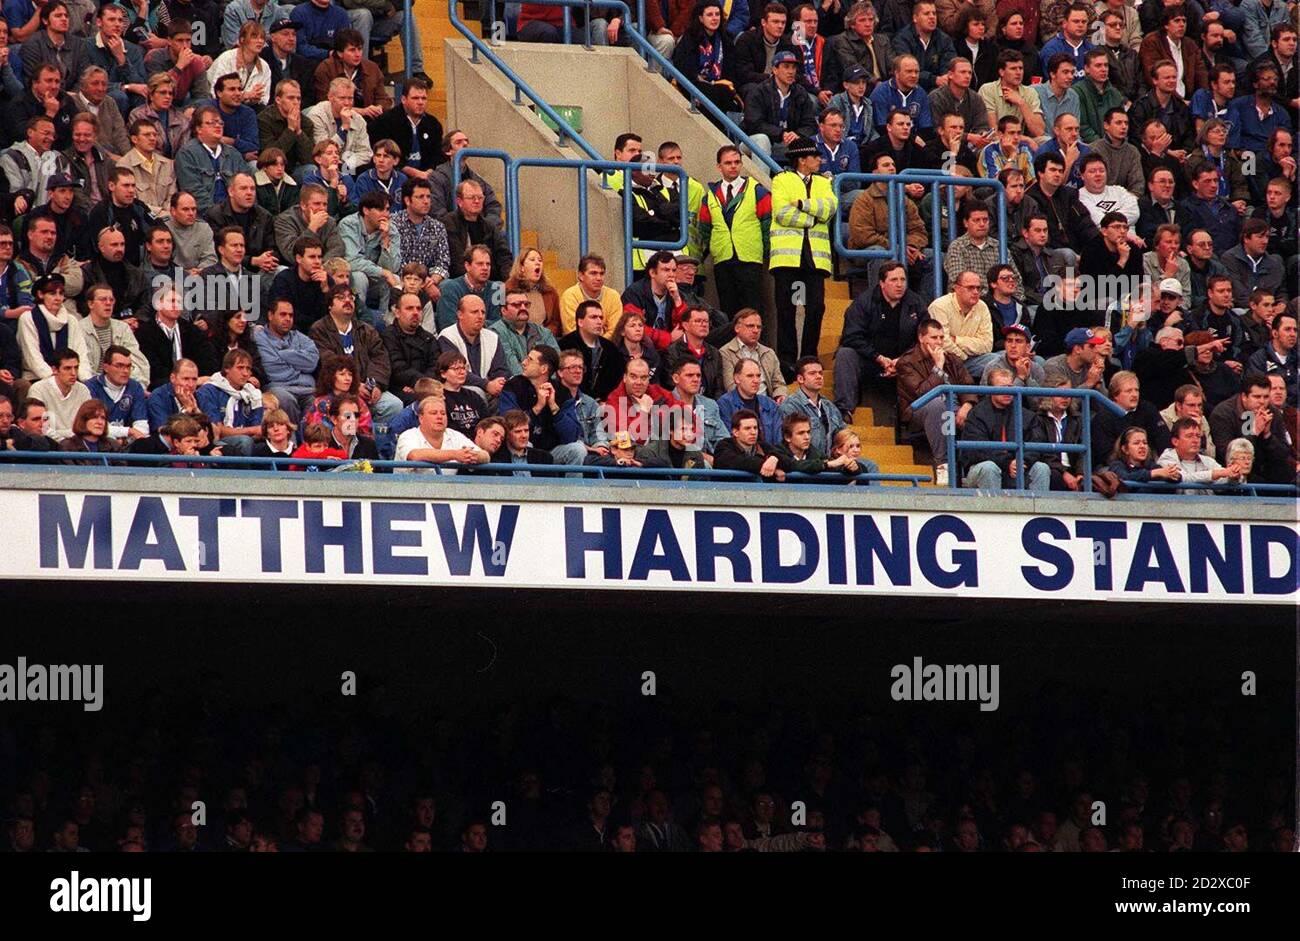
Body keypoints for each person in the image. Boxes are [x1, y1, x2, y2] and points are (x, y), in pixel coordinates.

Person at [769, 136, 836, 377]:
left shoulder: (823, 182)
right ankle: (786, 361)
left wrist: (800, 203)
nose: (819, 160)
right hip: (788, 259)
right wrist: (812, 218)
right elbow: (781, 213)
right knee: (785, 309)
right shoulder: (781, 180)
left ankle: (808, 356)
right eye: (815, 157)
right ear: (802, 160)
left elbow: (830, 208)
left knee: (816, 307)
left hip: (814, 259)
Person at [834, 260, 927, 419]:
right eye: (893, 280)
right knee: (845, 354)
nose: (899, 285)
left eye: (902, 280)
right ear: (882, 283)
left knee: (931, 354)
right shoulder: (864, 302)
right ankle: (844, 410)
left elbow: (925, 337)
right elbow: (851, 336)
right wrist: (878, 358)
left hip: (903, 361)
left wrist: (902, 360)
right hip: (870, 360)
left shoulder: (915, 302)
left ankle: (915, 417)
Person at [307, 283, 401, 424]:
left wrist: (376, 385)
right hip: (335, 389)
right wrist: (355, 385)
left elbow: (380, 359)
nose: (347, 301)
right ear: (330, 305)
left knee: (394, 405)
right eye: (341, 298)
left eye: (351, 298)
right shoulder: (319, 329)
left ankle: (370, 439)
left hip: (367, 388)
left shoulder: (366, 330)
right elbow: (328, 361)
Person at [1207, 371, 1293, 482]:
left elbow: (1283, 454)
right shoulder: (1223, 414)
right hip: (1234, 473)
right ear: (1244, 397)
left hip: (1266, 470)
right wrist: (1253, 432)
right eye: (1257, 397)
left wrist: (1268, 435)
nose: (1262, 402)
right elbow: (1226, 455)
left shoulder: (1273, 412)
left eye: (1266, 397)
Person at [253, 297, 318, 424]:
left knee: (318, 402)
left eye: (291, 315)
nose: (288, 319)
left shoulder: (299, 336)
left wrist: (282, 354)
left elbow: (312, 362)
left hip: (308, 389)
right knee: (285, 399)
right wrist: (299, 368)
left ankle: (309, 441)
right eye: (283, 314)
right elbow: (272, 369)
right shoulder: (260, 338)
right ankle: (293, 439)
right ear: (271, 315)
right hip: (278, 388)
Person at [175, 105, 251, 213]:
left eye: (220, 123)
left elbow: (247, 185)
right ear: (198, 129)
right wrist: (217, 215)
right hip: (204, 216)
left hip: (235, 214)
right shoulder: (187, 154)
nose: (218, 126)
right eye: (211, 123)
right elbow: (194, 192)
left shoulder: (233, 154)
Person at [1090, 369, 1172, 466]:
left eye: (1136, 390)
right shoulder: (1103, 418)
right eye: (1129, 391)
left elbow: (1163, 438)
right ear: (1115, 395)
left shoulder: (1148, 409)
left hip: (1146, 465)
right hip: (1114, 468)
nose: (1134, 395)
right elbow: (1106, 454)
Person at [369, 77, 442, 182]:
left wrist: (428, 173)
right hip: (394, 177)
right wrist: (415, 173)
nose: (420, 102)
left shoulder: (433, 124)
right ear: (403, 99)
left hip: (427, 178)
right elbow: (381, 155)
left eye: (424, 98)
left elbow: (437, 155)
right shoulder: (385, 121)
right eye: (415, 98)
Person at [393, 393, 488, 474]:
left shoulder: (454, 435)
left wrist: (472, 455)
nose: (439, 417)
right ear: (421, 418)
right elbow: (414, 455)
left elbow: (485, 456)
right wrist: (455, 455)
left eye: (443, 413)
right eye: (434, 413)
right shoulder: (408, 435)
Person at [194, 348, 263, 454]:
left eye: (248, 369)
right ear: (227, 368)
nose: (245, 373)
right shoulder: (209, 391)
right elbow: (218, 431)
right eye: (240, 368)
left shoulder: (253, 394)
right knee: (244, 441)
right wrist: (252, 430)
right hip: (216, 442)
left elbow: (258, 429)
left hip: (248, 441)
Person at [75, 282, 148, 383]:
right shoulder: (79, 329)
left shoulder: (123, 328)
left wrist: (136, 386)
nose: (108, 303)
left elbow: (137, 362)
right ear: (90, 304)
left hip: (123, 385)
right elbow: (84, 369)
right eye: (103, 299)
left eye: (111, 300)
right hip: (94, 387)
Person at [1155, 416, 1248, 490]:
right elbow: (1184, 478)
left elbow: (1222, 479)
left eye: (1198, 436)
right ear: (1175, 441)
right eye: (1189, 436)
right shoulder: (1166, 458)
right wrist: (1216, 473)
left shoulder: (1207, 460)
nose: (1195, 440)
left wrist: (1233, 476)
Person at [559, 300, 623, 401]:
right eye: (593, 317)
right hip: (571, 402)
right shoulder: (565, 345)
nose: (599, 322)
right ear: (580, 322)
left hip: (605, 405)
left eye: (601, 318)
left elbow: (617, 381)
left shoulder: (611, 349)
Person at [659, 305, 725, 397]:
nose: (704, 324)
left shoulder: (714, 353)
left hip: (708, 405)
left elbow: (719, 388)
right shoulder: (671, 352)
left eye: (706, 321)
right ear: (685, 325)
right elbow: (670, 385)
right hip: (681, 404)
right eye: (698, 321)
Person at [1221, 218, 1285, 310]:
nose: (1265, 241)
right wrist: (1262, 308)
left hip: (1269, 310)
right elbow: (1239, 294)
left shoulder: (1274, 263)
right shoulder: (1230, 259)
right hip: (1243, 309)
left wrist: (1282, 303)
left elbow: (1281, 291)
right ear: (1246, 238)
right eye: (1260, 237)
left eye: (1267, 237)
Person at [712, 407, 793, 478]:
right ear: (735, 432)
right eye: (747, 428)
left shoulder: (763, 446)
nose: (753, 432)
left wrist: (774, 459)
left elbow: (789, 460)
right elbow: (738, 462)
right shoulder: (723, 445)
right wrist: (766, 465)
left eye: (755, 428)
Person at [1247, 309, 1297, 405]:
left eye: (1295, 330)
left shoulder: (1297, 357)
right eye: (1287, 329)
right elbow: (1257, 394)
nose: (1293, 334)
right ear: (1275, 333)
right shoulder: (1258, 359)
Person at [1106, 425, 1182, 483]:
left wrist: (1173, 474)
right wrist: (1153, 473)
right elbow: (1124, 478)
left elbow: (1173, 479)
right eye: (1136, 443)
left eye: (1145, 443)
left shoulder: (1150, 465)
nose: (1142, 446)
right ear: (1125, 449)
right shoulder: (1116, 465)